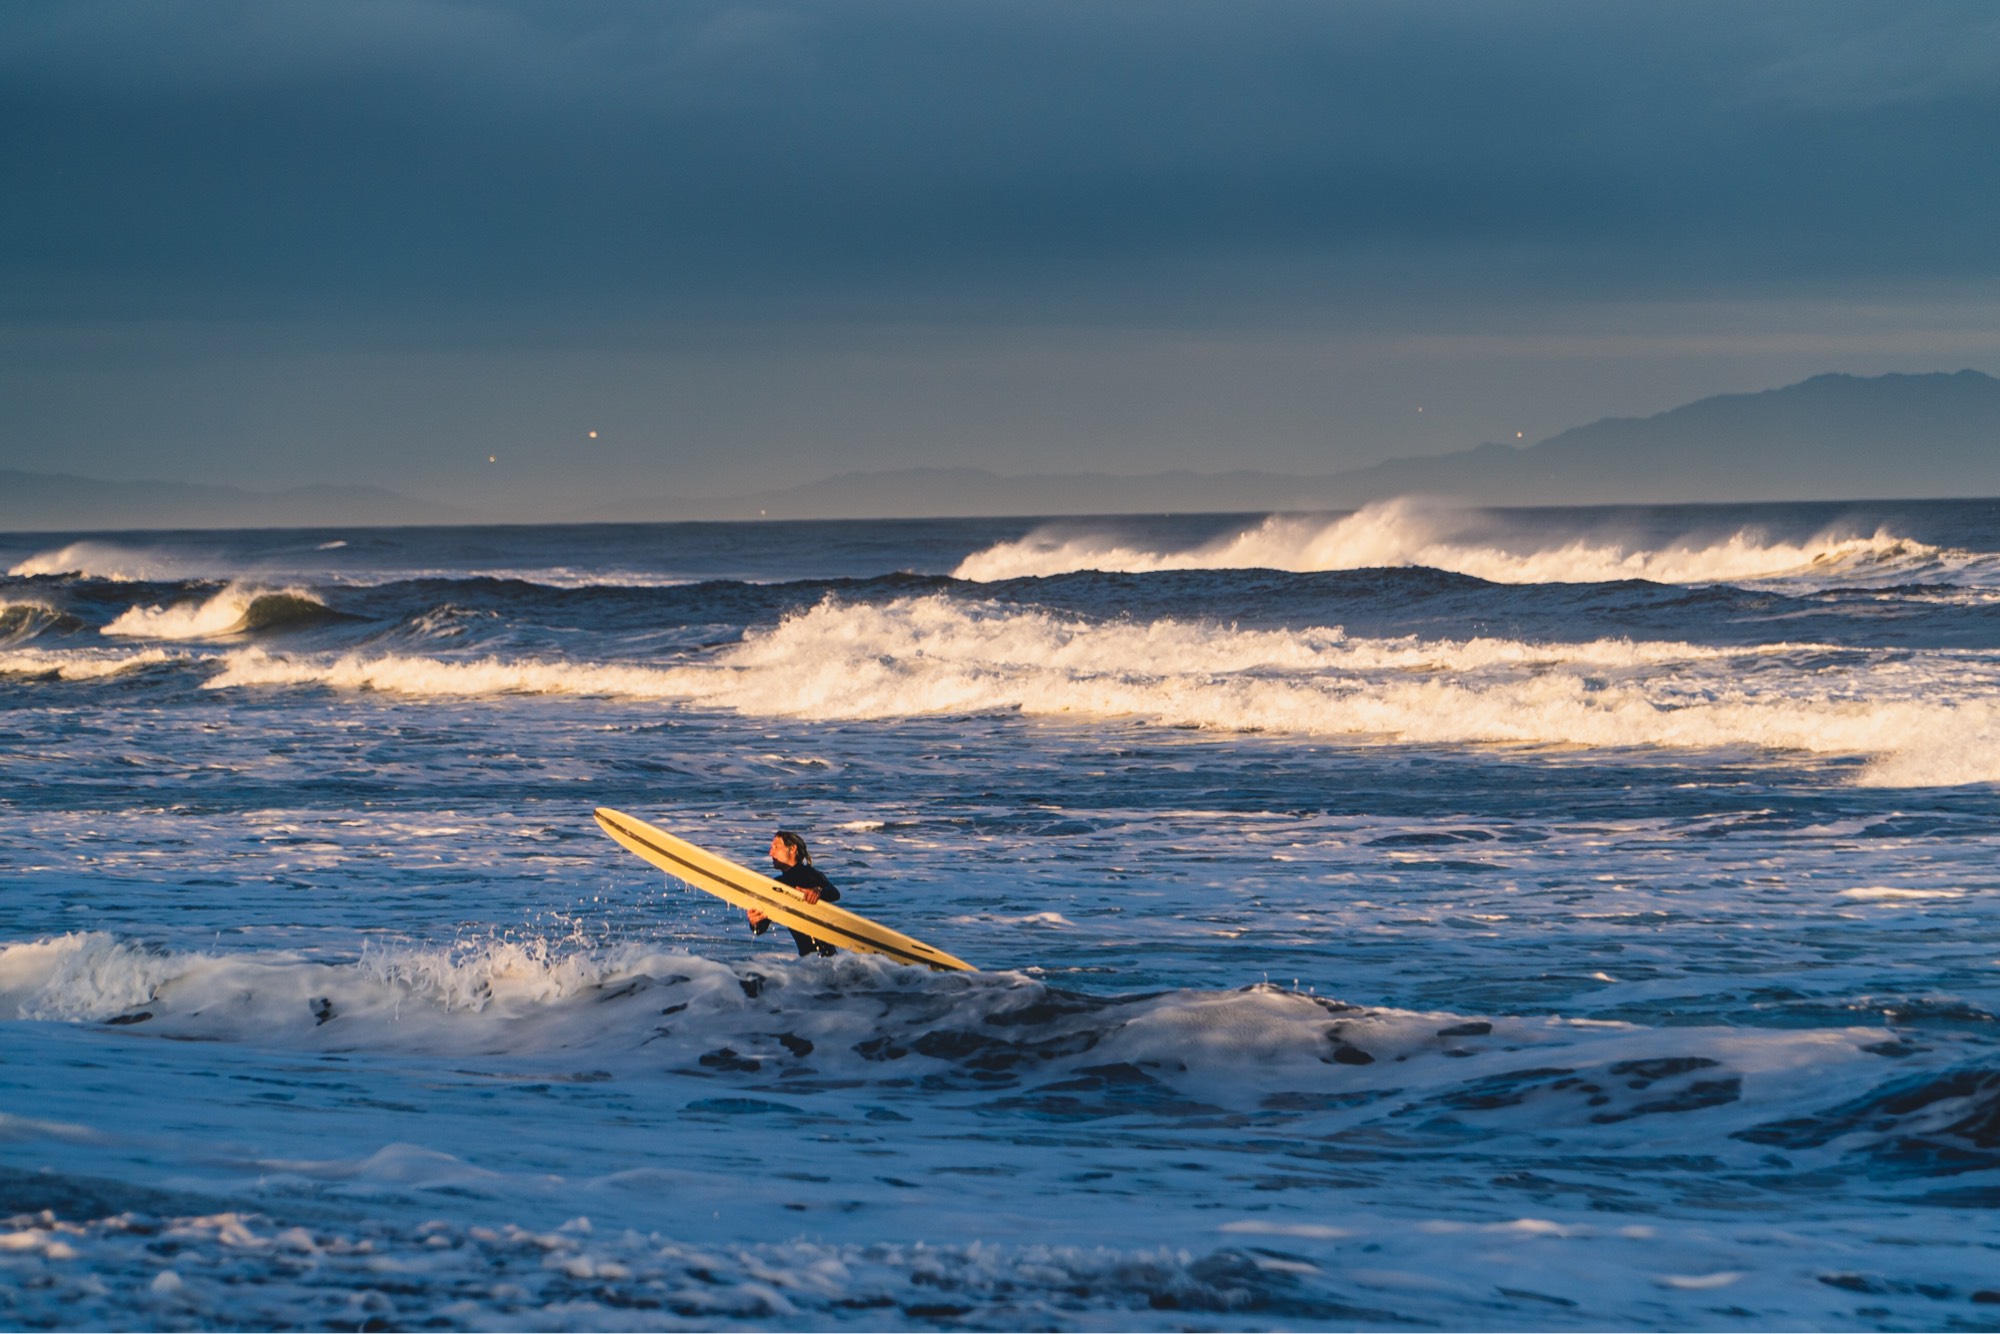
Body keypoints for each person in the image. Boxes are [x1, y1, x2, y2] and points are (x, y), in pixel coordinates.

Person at [746, 829, 842, 956]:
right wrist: (755, 921)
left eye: (776, 847)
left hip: (824, 959)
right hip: (809, 962)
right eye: (771, 848)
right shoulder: (777, 885)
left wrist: (818, 892)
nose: (770, 853)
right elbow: (760, 929)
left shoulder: (809, 874)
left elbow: (834, 893)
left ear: (792, 849)